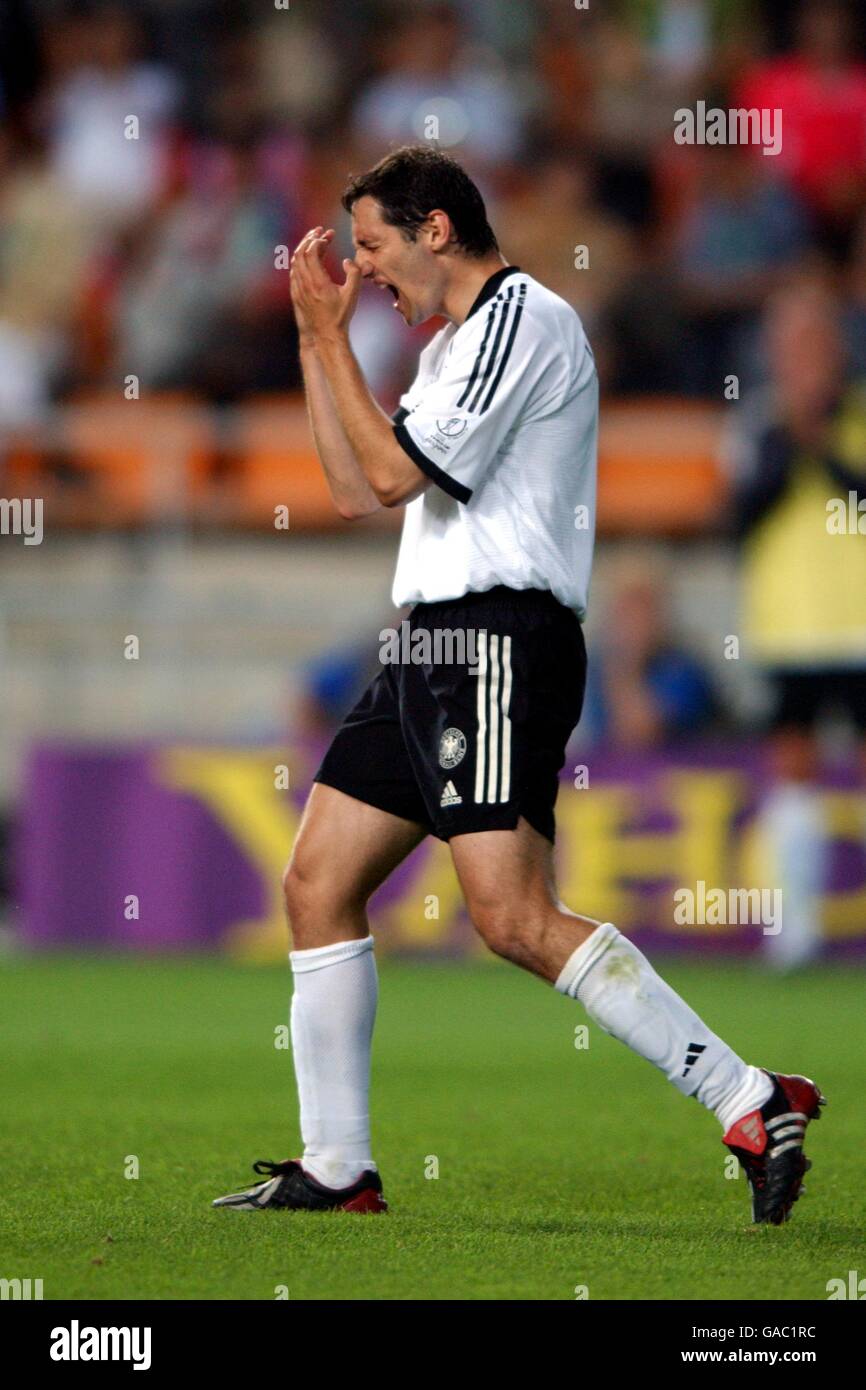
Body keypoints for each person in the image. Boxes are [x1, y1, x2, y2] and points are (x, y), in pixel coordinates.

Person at [213, 146, 825, 1223]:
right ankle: (337, 1164)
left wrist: (331, 347)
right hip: (428, 645)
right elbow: (356, 486)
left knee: (510, 914)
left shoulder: (517, 321)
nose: (366, 273)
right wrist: (318, 340)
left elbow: (400, 471)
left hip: (497, 639)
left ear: (435, 228)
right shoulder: (449, 348)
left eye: (372, 248)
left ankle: (747, 1094)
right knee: (316, 884)